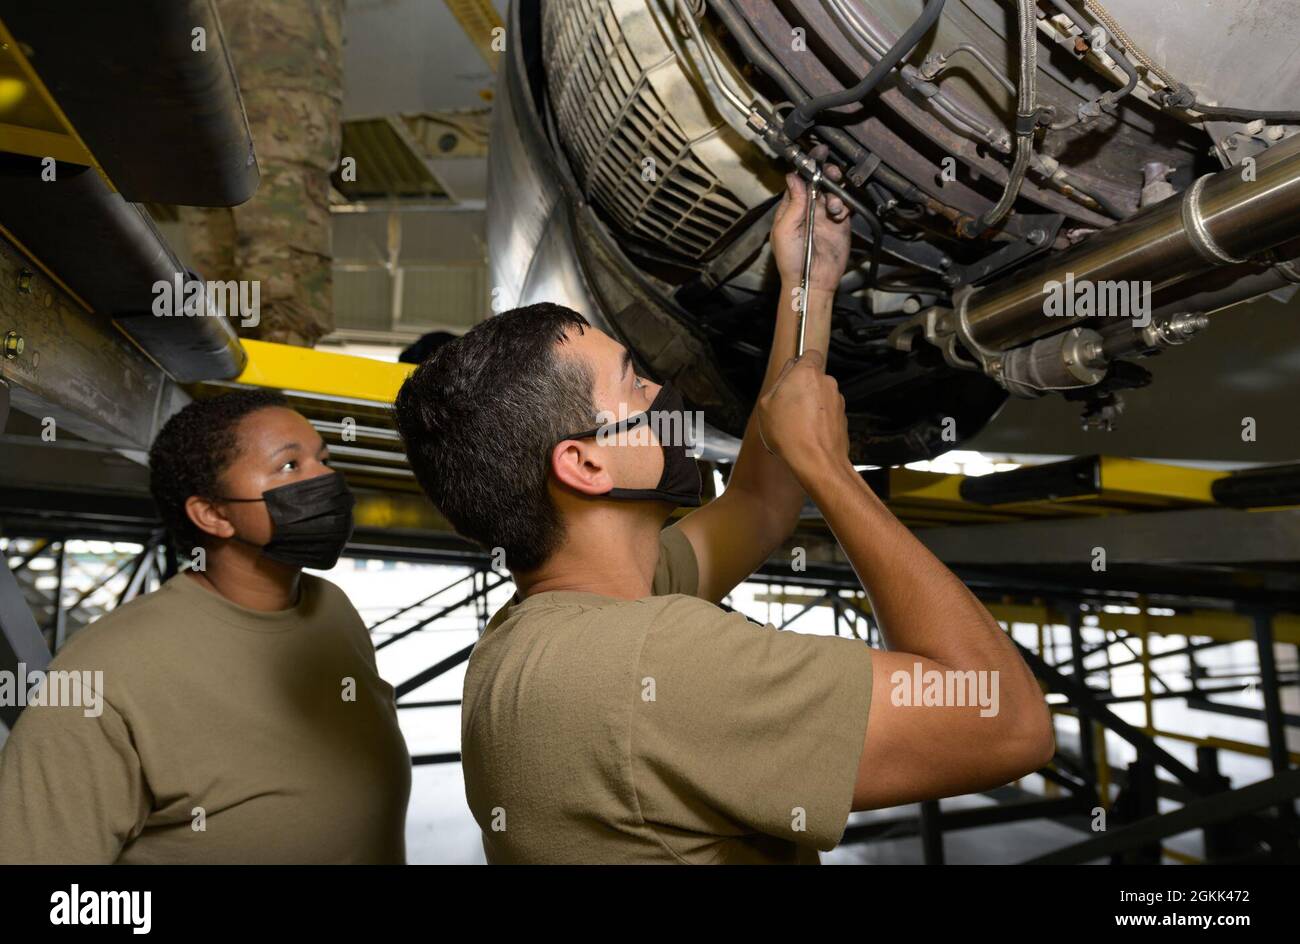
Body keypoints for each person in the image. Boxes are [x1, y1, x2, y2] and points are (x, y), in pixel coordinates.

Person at [393, 171, 1054, 863]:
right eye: (635, 383)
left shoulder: (547, 629)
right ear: (584, 466)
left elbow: (759, 506)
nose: (663, 394)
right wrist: (832, 470)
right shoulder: (653, 663)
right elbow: (1006, 722)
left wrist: (810, 286)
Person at [0, 390, 411, 863]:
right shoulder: (104, 677)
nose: (328, 481)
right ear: (213, 514)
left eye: (324, 459)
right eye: (290, 467)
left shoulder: (332, 610)